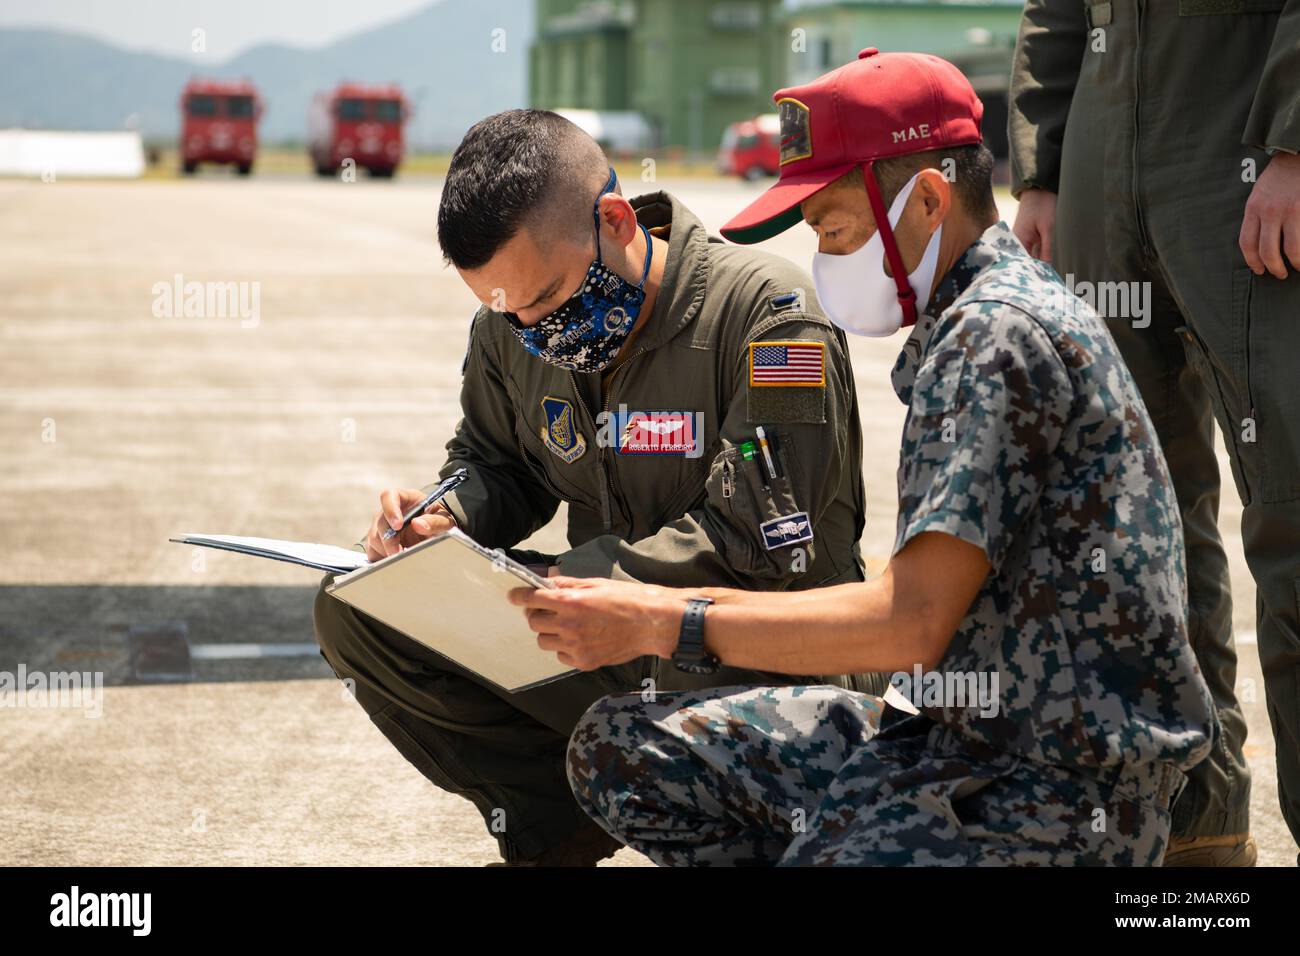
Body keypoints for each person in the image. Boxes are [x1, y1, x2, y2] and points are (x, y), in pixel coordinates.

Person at [512, 51, 1217, 865]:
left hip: (1052, 787)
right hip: (954, 740)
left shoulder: (995, 337)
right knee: (623, 751)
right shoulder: (975, 318)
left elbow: (907, 623)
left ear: (927, 200)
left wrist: (663, 622)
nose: (823, 256)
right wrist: (653, 613)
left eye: (833, 228)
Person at [312, 109, 885, 866]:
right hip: (605, 637)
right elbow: (496, 463)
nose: (535, 331)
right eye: (508, 310)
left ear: (615, 219)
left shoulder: (773, 320)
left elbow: (764, 540)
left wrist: (571, 582)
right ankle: (554, 828)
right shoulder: (510, 329)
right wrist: (441, 515)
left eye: (549, 298)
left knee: (612, 697)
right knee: (359, 607)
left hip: (759, 652)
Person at [1009, 0, 1300, 865]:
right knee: (1131, 516)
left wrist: (1295, 142)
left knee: (1291, 506)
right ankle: (1197, 816)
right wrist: (1044, 169)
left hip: (1243, 139)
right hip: (1101, 153)